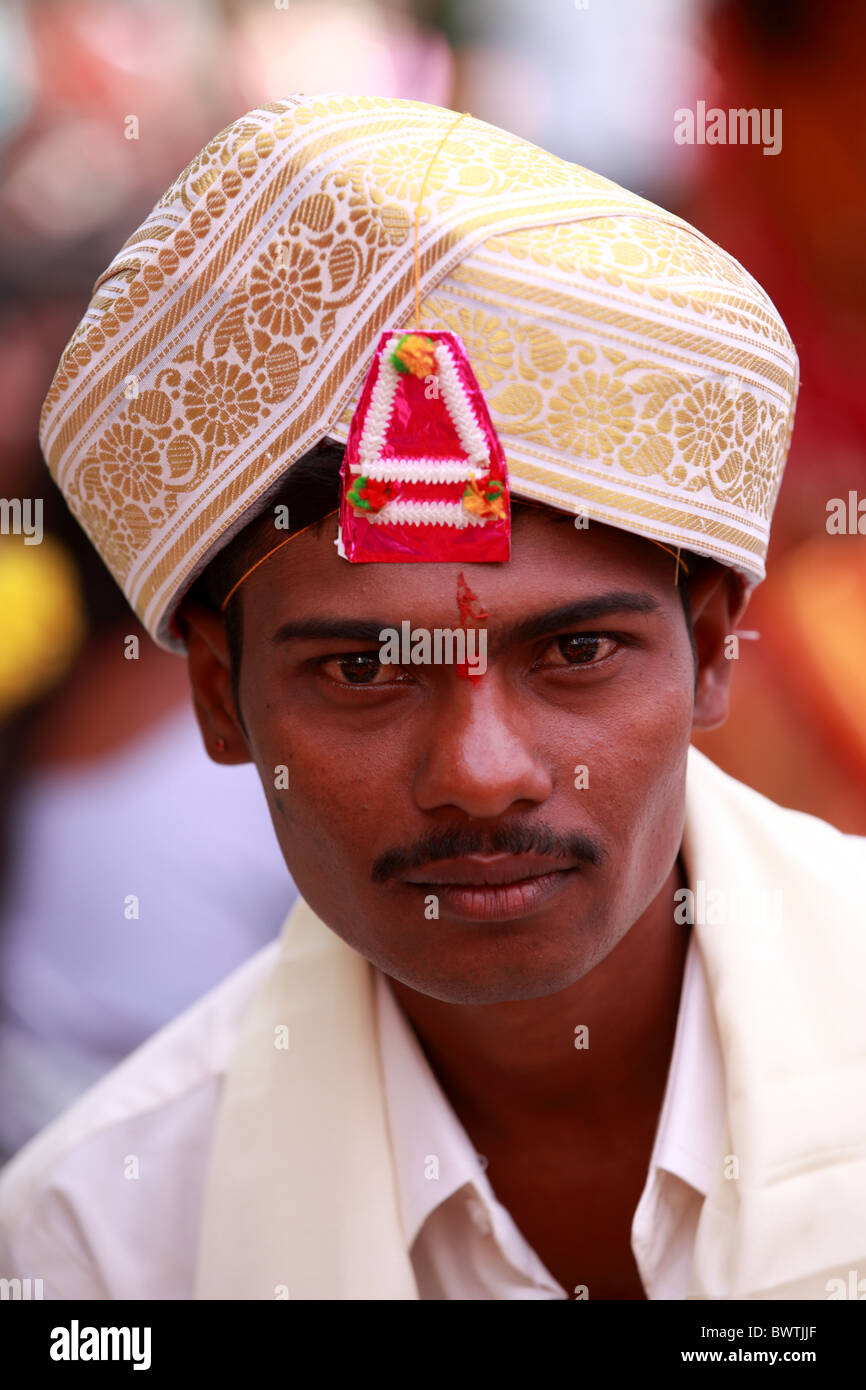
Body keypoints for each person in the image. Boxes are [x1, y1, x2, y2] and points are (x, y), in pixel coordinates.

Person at [1, 93, 863, 1302]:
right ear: (217, 693)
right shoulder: (97, 1251)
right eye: (362, 670)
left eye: (572, 653)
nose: (479, 771)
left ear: (712, 645)